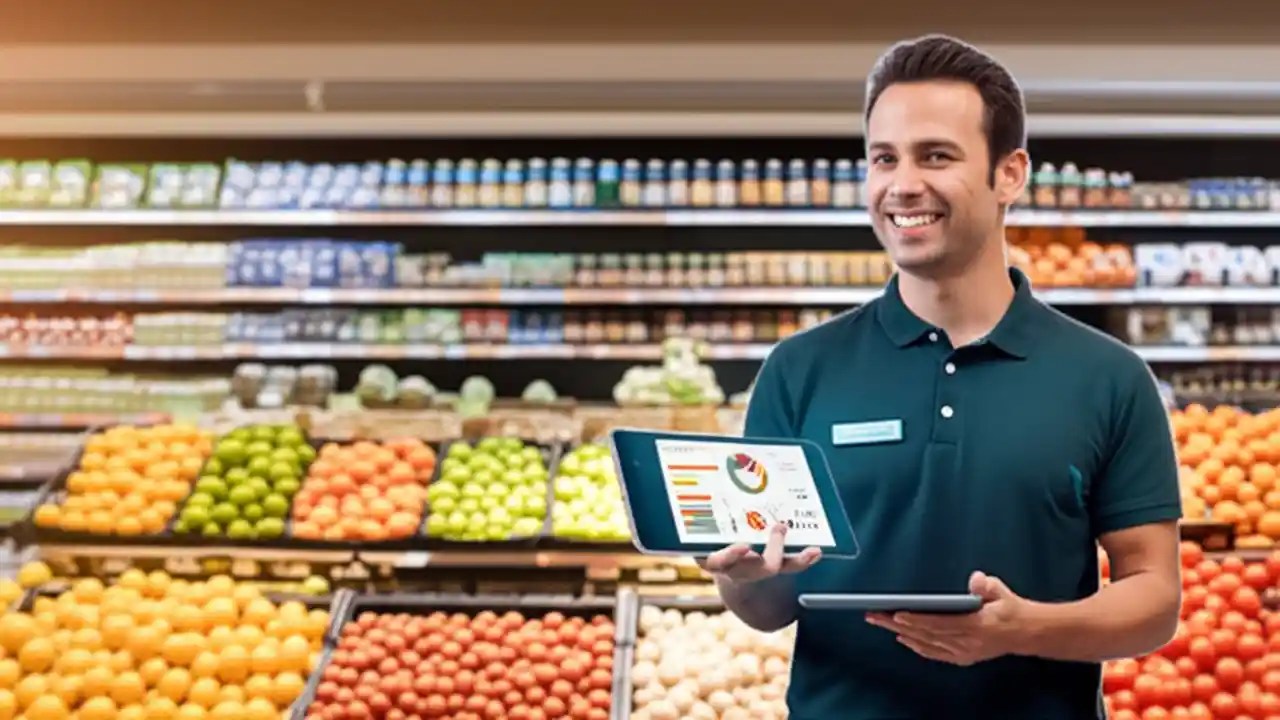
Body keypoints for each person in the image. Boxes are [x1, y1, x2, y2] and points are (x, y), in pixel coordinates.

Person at [701, 34, 1182, 719]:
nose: (902, 185)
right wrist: (742, 579)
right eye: (883, 159)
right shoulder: (800, 369)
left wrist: (1024, 629)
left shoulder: (1109, 377)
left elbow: (1154, 599)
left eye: (936, 156)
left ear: (1010, 174)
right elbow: (767, 610)